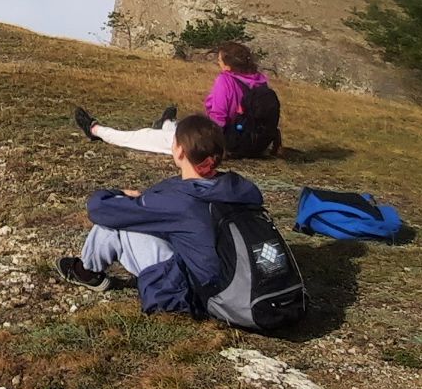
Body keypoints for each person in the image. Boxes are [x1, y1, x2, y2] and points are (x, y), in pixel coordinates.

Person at [54, 114, 264, 316]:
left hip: (203, 295)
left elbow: (99, 209)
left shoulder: (178, 198)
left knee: (116, 222)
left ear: (179, 151)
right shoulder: (242, 188)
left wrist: (118, 194)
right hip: (244, 282)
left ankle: (86, 271)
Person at [70, 40, 276, 155]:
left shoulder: (226, 81)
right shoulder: (259, 81)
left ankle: (95, 130)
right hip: (248, 143)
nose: (218, 63)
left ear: (228, 66)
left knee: (140, 136)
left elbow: (219, 119)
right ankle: (167, 123)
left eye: (220, 60)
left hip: (218, 144)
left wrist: (208, 147)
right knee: (178, 127)